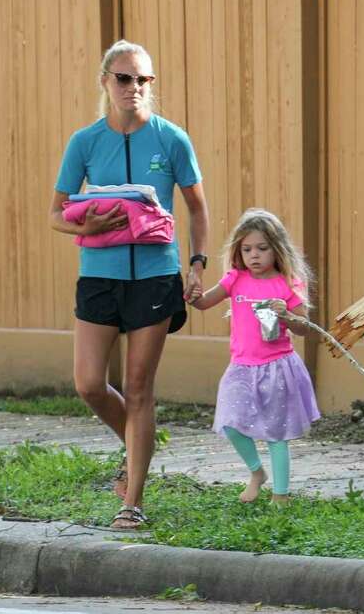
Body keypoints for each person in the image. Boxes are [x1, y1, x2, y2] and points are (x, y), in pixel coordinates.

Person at [50, 39, 209, 529]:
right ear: (106, 81)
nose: (133, 87)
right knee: (89, 384)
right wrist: (87, 225)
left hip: (156, 278)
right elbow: (55, 214)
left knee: (139, 389)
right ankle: (139, 443)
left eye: (142, 79)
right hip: (99, 276)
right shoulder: (85, 142)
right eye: (123, 78)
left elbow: (197, 209)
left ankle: (132, 503)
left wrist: (197, 264)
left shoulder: (171, 139)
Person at [191, 208, 320, 505]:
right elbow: (203, 303)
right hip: (241, 367)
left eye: (262, 248)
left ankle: (280, 495)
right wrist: (191, 291)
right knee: (230, 423)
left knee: (276, 433)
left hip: (277, 367)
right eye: (247, 249)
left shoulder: (288, 283)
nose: (254, 256)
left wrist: (286, 315)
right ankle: (256, 472)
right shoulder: (235, 278)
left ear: (278, 248)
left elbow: (304, 328)